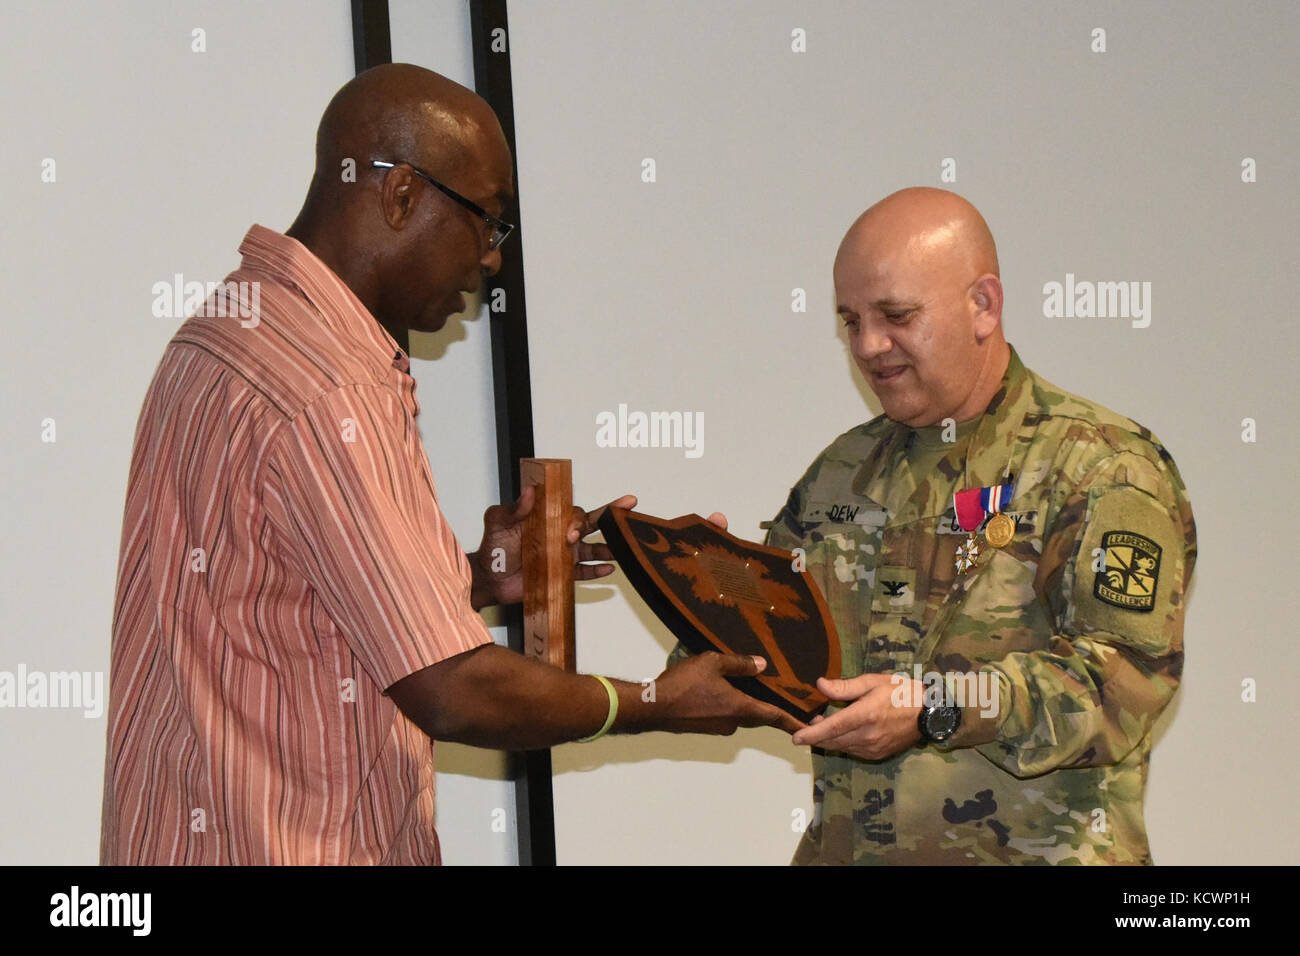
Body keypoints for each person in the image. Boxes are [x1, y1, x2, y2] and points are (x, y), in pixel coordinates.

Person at [100, 64, 800, 866]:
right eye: (487, 222)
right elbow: (450, 688)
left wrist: (471, 577)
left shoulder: (222, 331)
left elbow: (275, 604)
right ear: (401, 194)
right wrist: (651, 703)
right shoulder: (334, 386)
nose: (491, 262)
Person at [766, 187, 1195, 863]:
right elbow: (770, 644)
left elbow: (1122, 686)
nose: (870, 345)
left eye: (896, 315)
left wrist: (938, 705)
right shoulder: (840, 473)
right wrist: (682, 571)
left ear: (983, 306)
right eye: (850, 321)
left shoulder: (1100, 466)